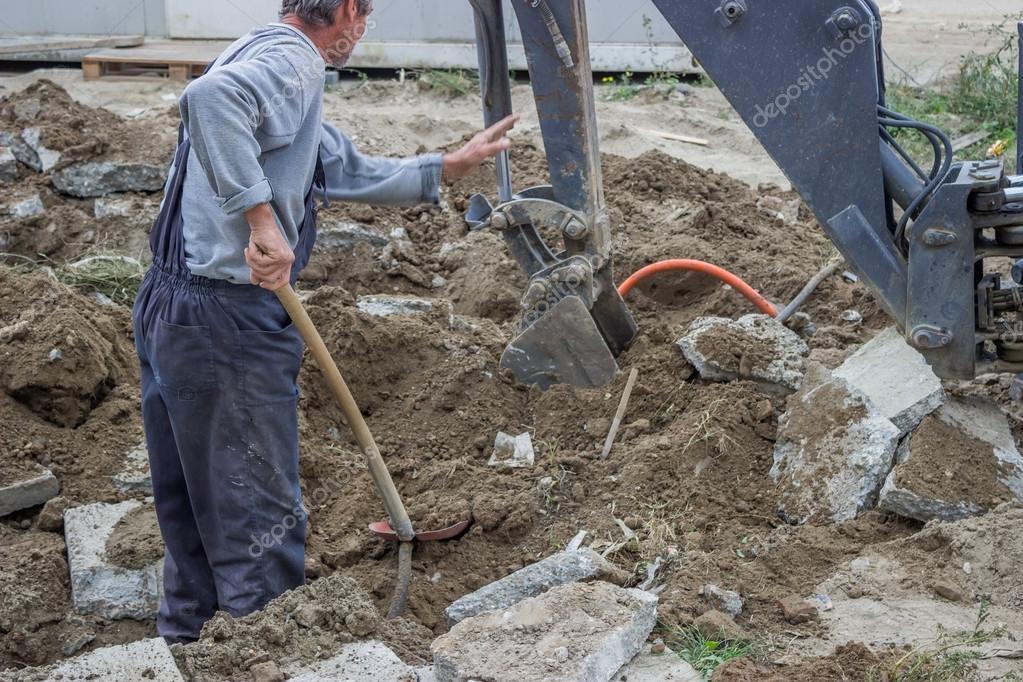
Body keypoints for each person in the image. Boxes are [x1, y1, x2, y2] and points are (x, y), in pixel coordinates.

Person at [132, 0, 518, 643]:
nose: (364, 31)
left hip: (175, 307)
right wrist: (260, 220)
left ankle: (193, 640)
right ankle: (267, 650)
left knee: (194, 498)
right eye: (364, 15)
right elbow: (211, 100)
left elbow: (328, 164)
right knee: (258, 511)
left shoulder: (259, 48)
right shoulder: (294, 61)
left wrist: (443, 168)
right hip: (226, 319)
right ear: (343, 11)